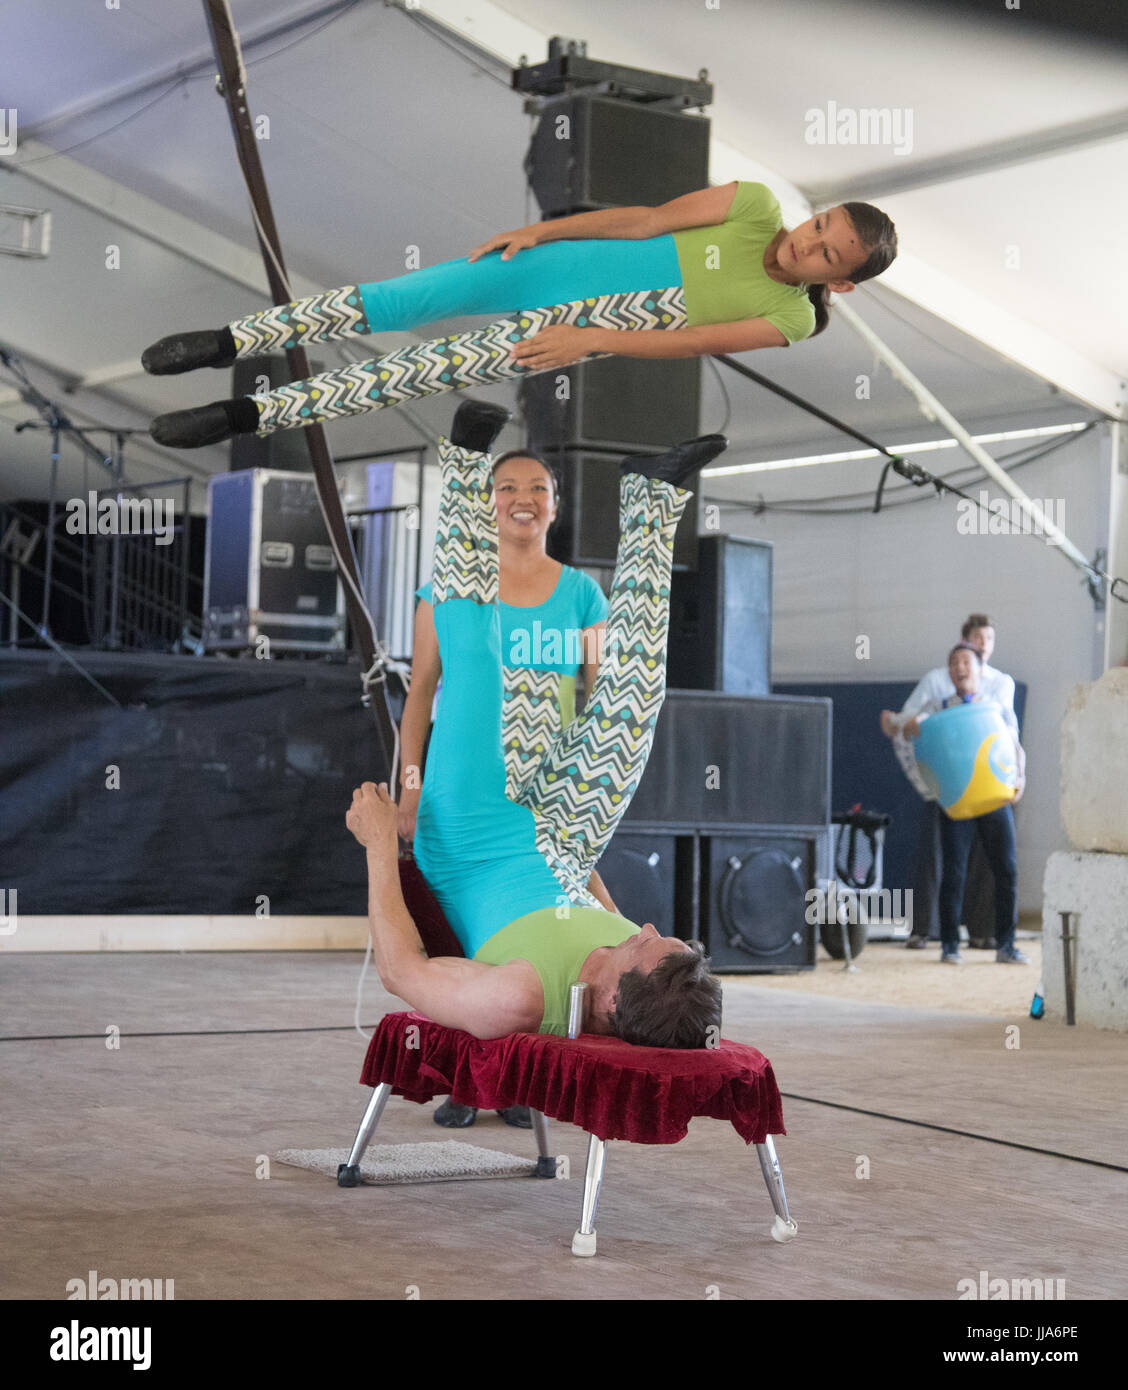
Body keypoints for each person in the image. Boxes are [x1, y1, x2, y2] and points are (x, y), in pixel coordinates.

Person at [345, 401, 726, 1045]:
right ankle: (653, 495)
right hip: (563, 834)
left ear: (613, 995)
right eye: (507, 487)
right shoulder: (634, 959)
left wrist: (383, 846)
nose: (652, 930)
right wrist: (584, 860)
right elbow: (585, 901)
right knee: (638, 701)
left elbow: (400, 972)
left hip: (473, 840)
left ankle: (465, 461)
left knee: (478, 665)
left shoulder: (523, 996)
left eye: (651, 947)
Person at [141, 182, 897, 448]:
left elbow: (693, 340)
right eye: (819, 225)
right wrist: (544, 229)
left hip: (592, 329)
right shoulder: (757, 203)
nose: (808, 244)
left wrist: (585, 341)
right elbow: (644, 220)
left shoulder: (791, 318)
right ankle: (229, 339)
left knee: (410, 374)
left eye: (828, 256)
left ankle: (240, 417)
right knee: (397, 300)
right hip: (559, 262)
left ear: (846, 284)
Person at [397, 431, 617, 1125]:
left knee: (541, 931)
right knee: (467, 931)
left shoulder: (581, 593)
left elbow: (602, 700)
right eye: (508, 490)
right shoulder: (446, 587)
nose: (523, 501)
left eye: (538, 491)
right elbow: (420, 692)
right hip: (464, 782)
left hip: (543, 797)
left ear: (556, 507)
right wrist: (408, 789)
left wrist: (590, 795)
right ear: (487, 505)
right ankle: (469, 1075)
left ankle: (524, 1073)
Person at [881, 643, 1028, 966]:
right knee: (954, 870)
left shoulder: (995, 706)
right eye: (954, 663)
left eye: (966, 662)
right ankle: (950, 944)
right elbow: (904, 730)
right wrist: (901, 725)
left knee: (1006, 870)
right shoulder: (936, 707)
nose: (960, 668)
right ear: (949, 672)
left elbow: (1012, 743)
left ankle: (1007, 944)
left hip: (993, 797)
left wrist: (1019, 779)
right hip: (957, 800)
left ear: (979, 669)